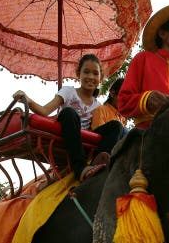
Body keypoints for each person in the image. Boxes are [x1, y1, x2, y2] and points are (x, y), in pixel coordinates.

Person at [12, 53, 122, 182]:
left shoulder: (97, 105)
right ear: (78, 74)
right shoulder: (68, 92)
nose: (91, 77)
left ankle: (98, 162)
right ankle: (80, 168)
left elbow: (96, 129)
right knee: (69, 112)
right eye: (86, 72)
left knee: (116, 125)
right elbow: (45, 111)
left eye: (95, 73)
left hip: (85, 138)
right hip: (67, 129)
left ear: (101, 78)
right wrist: (29, 101)